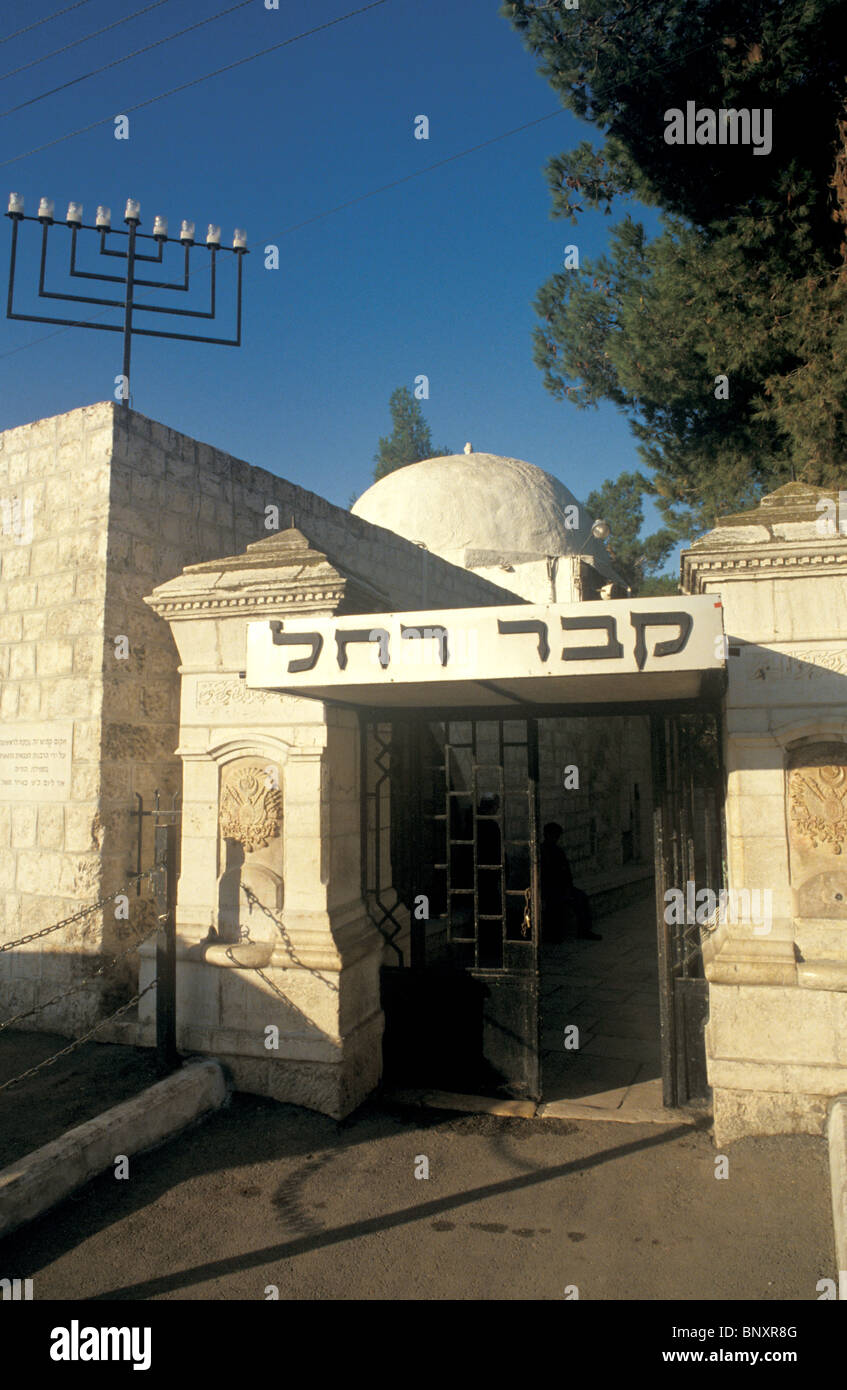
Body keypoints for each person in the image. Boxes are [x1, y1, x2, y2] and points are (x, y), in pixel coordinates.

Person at [539, 822, 602, 942]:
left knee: (581, 897)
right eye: (554, 835)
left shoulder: (558, 851)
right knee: (555, 903)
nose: (556, 838)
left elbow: (566, 872)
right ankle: (552, 935)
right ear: (547, 835)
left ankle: (584, 930)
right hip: (549, 888)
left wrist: (567, 888)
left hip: (562, 888)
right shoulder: (542, 851)